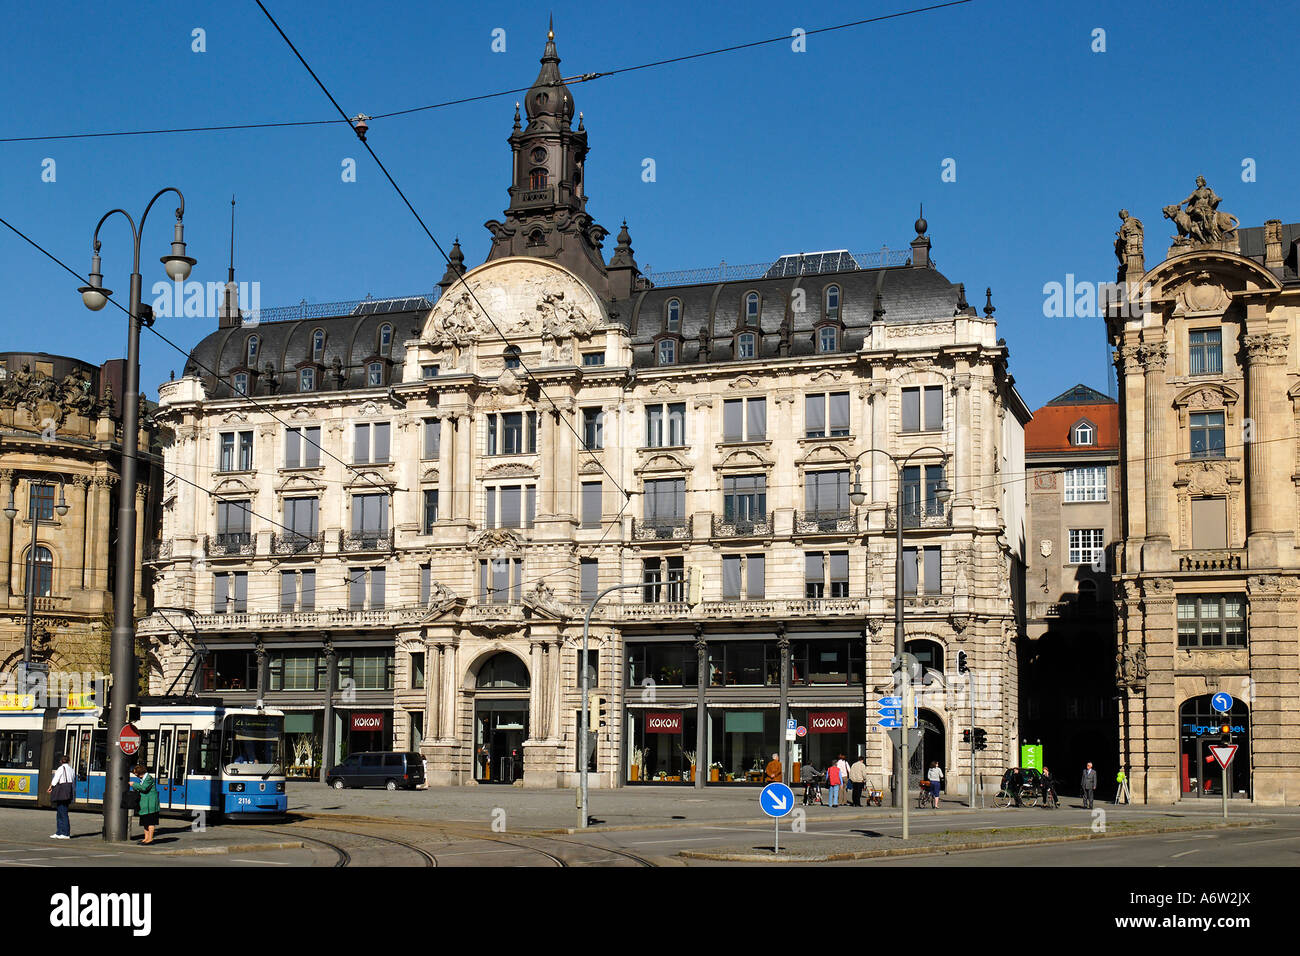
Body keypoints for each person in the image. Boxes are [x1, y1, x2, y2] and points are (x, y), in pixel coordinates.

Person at [47, 753, 74, 839]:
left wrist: (50, 787)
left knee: (62, 813)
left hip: (61, 792)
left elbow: (56, 779)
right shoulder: (71, 769)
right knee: (61, 812)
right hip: (68, 791)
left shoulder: (61, 768)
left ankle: (65, 833)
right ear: (68, 761)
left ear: (61, 761)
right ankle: (59, 832)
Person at [132, 763, 160, 845]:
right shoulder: (143, 779)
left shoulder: (148, 778)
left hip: (150, 804)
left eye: (136, 773)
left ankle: (150, 839)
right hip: (144, 805)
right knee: (145, 823)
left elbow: (144, 788)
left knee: (150, 822)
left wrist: (134, 784)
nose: (136, 775)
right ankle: (146, 838)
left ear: (140, 772)